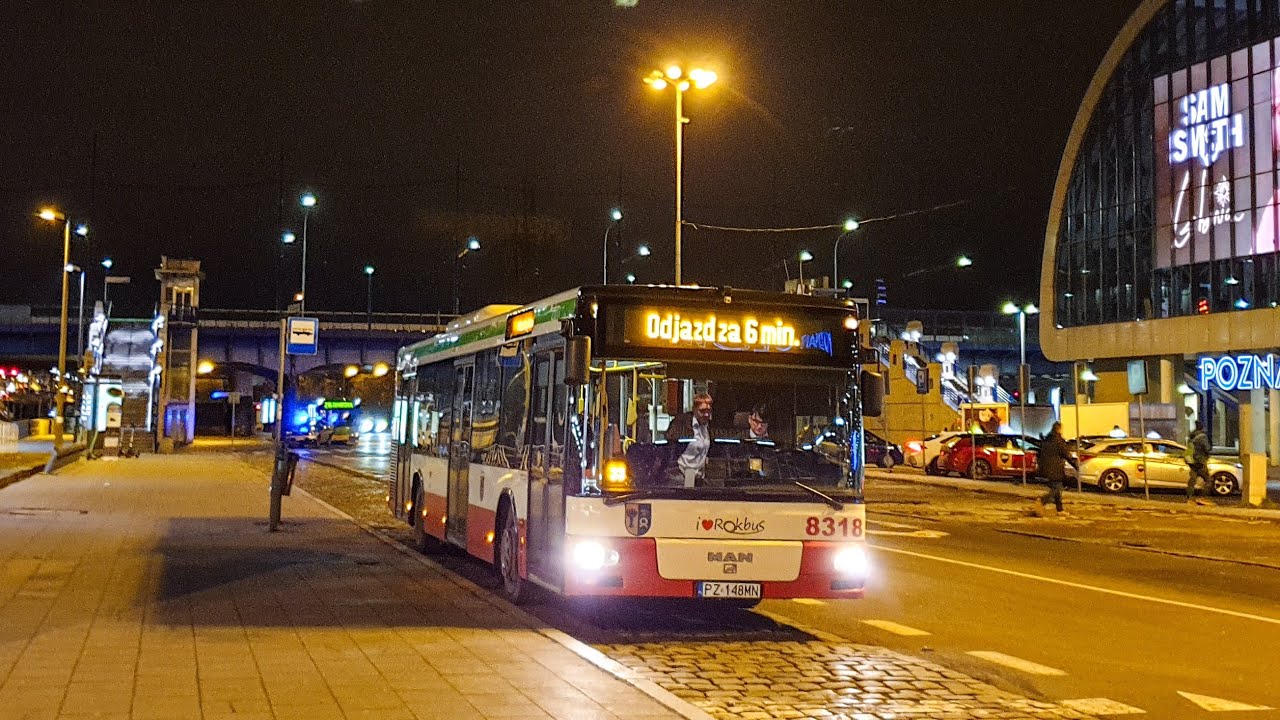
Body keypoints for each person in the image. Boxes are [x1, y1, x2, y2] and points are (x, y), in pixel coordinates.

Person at [665, 392, 714, 486]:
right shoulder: (682, 424)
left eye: (709, 411)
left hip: (699, 478)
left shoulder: (708, 427)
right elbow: (671, 446)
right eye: (702, 411)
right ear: (694, 410)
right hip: (679, 477)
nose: (706, 415)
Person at [1036, 422, 1074, 515]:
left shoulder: (1047, 440)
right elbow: (1066, 455)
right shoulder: (1058, 441)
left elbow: (1041, 454)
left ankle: (1060, 510)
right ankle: (1042, 500)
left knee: (1057, 488)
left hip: (1046, 467)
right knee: (1057, 488)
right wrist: (1075, 465)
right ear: (1059, 429)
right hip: (1056, 468)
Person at [1186, 422, 1212, 503]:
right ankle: (1202, 498)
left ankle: (1189, 498)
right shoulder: (1202, 437)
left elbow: (1188, 449)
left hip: (1192, 462)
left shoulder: (1191, 436)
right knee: (1208, 480)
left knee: (1192, 481)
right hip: (1200, 462)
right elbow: (1207, 448)